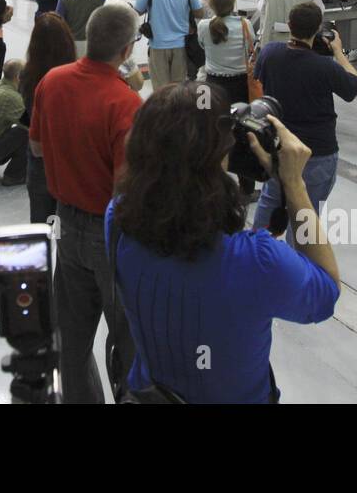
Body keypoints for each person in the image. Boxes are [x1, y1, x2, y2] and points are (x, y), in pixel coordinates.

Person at [107, 82, 340, 403]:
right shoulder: (257, 261)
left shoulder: (117, 218)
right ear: (218, 156)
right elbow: (325, 293)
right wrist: (294, 185)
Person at [29, 4, 142, 403]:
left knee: (71, 340)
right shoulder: (125, 104)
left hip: (66, 226)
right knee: (130, 339)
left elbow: (37, 148)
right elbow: (126, 191)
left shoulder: (52, 81)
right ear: (127, 52)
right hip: (110, 236)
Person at [252, 3, 357, 238]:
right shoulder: (324, 67)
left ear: (289, 26)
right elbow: (352, 87)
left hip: (280, 147)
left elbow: (261, 74)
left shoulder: (270, 52)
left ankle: (254, 252)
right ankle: (295, 264)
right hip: (317, 152)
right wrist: (338, 52)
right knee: (305, 214)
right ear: (317, 31)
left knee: (270, 199)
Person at [196, 0, 257, 193]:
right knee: (243, 135)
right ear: (233, 2)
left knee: (212, 134)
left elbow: (203, 46)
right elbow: (252, 47)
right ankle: (246, 187)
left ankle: (211, 183)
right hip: (240, 86)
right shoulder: (245, 24)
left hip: (211, 86)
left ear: (210, 3)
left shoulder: (204, 26)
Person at [19, 13, 77, 224]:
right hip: (70, 163)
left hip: (40, 164)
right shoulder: (75, 76)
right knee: (66, 230)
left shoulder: (27, 76)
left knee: (41, 225)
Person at [133, 0, 204, 89]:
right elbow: (199, 12)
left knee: (161, 88)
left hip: (158, 45)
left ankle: (162, 110)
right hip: (181, 45)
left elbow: (137, 10)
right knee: (178, 88)